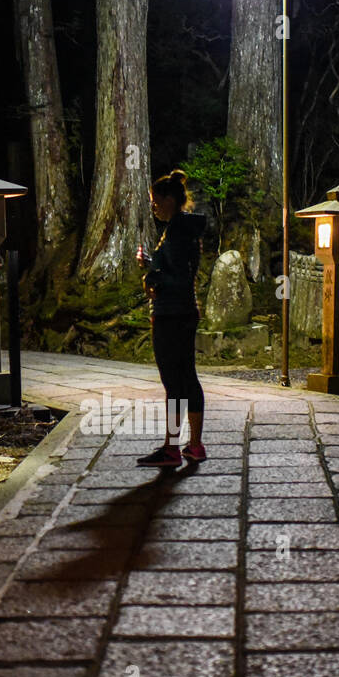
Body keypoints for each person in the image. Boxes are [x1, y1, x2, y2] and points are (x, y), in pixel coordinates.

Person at [136, 169, 207, 468]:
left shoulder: (176, 231)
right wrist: (153, 264)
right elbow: (180, 271)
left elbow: (176, 277)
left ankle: (172, 448)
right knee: (187, 378)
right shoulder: (183, 229)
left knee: (175, 382)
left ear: (168, 199)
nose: (153, 207)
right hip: (184, 311)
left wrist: (152, 276)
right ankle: (193, 445)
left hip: (171, 314)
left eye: (155, 201)